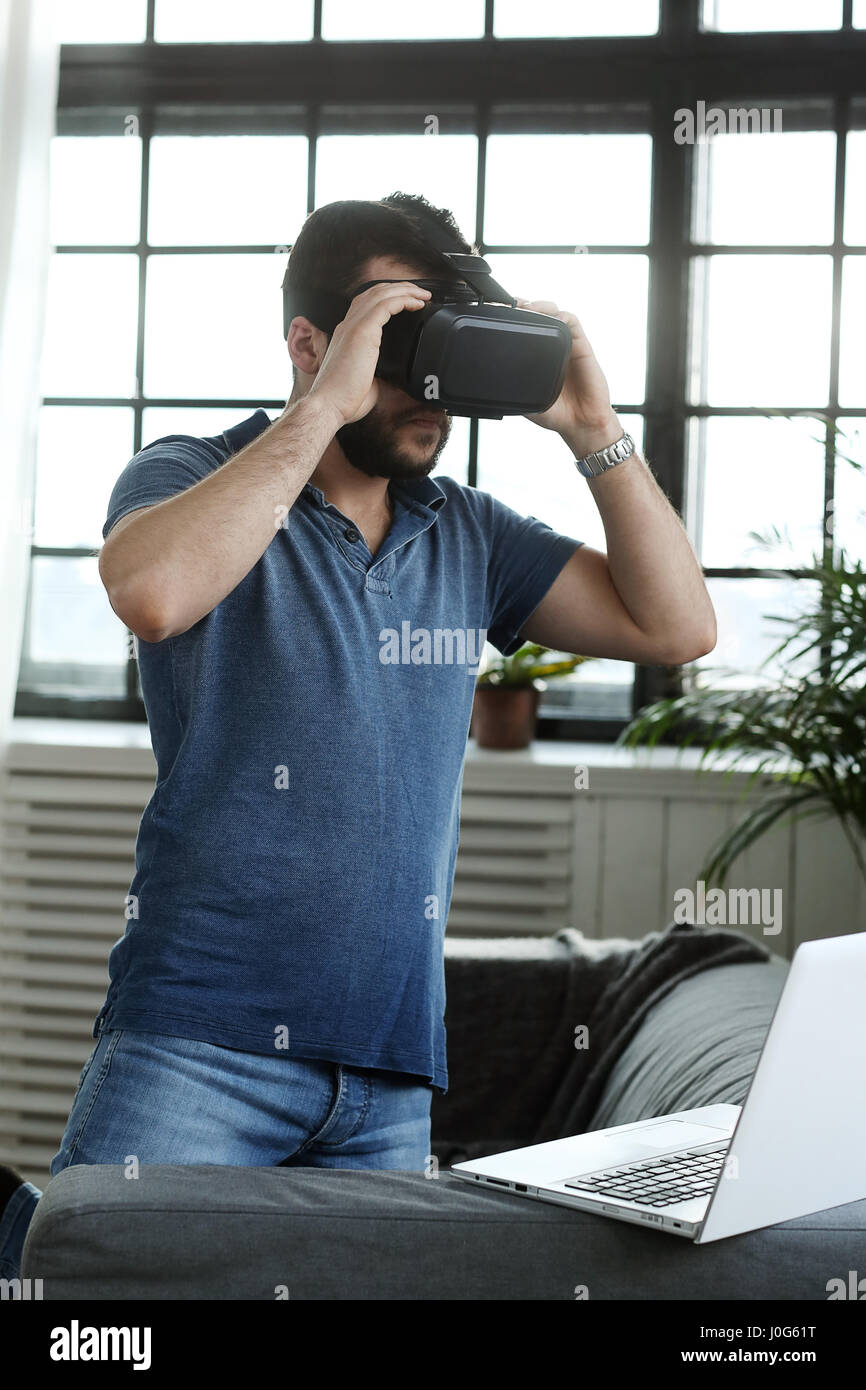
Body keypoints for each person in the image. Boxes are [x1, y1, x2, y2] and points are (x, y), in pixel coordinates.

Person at [0, 192, 715, 1281]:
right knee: (84, 1308)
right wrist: (326, 406)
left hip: (389, 1073)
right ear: (310, 342)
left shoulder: (467, 532)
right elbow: (149, 591)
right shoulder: (191, 473)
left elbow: (677, 624)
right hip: (199, 1042)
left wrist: (593, 430)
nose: (429, 392)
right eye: (402, 346)